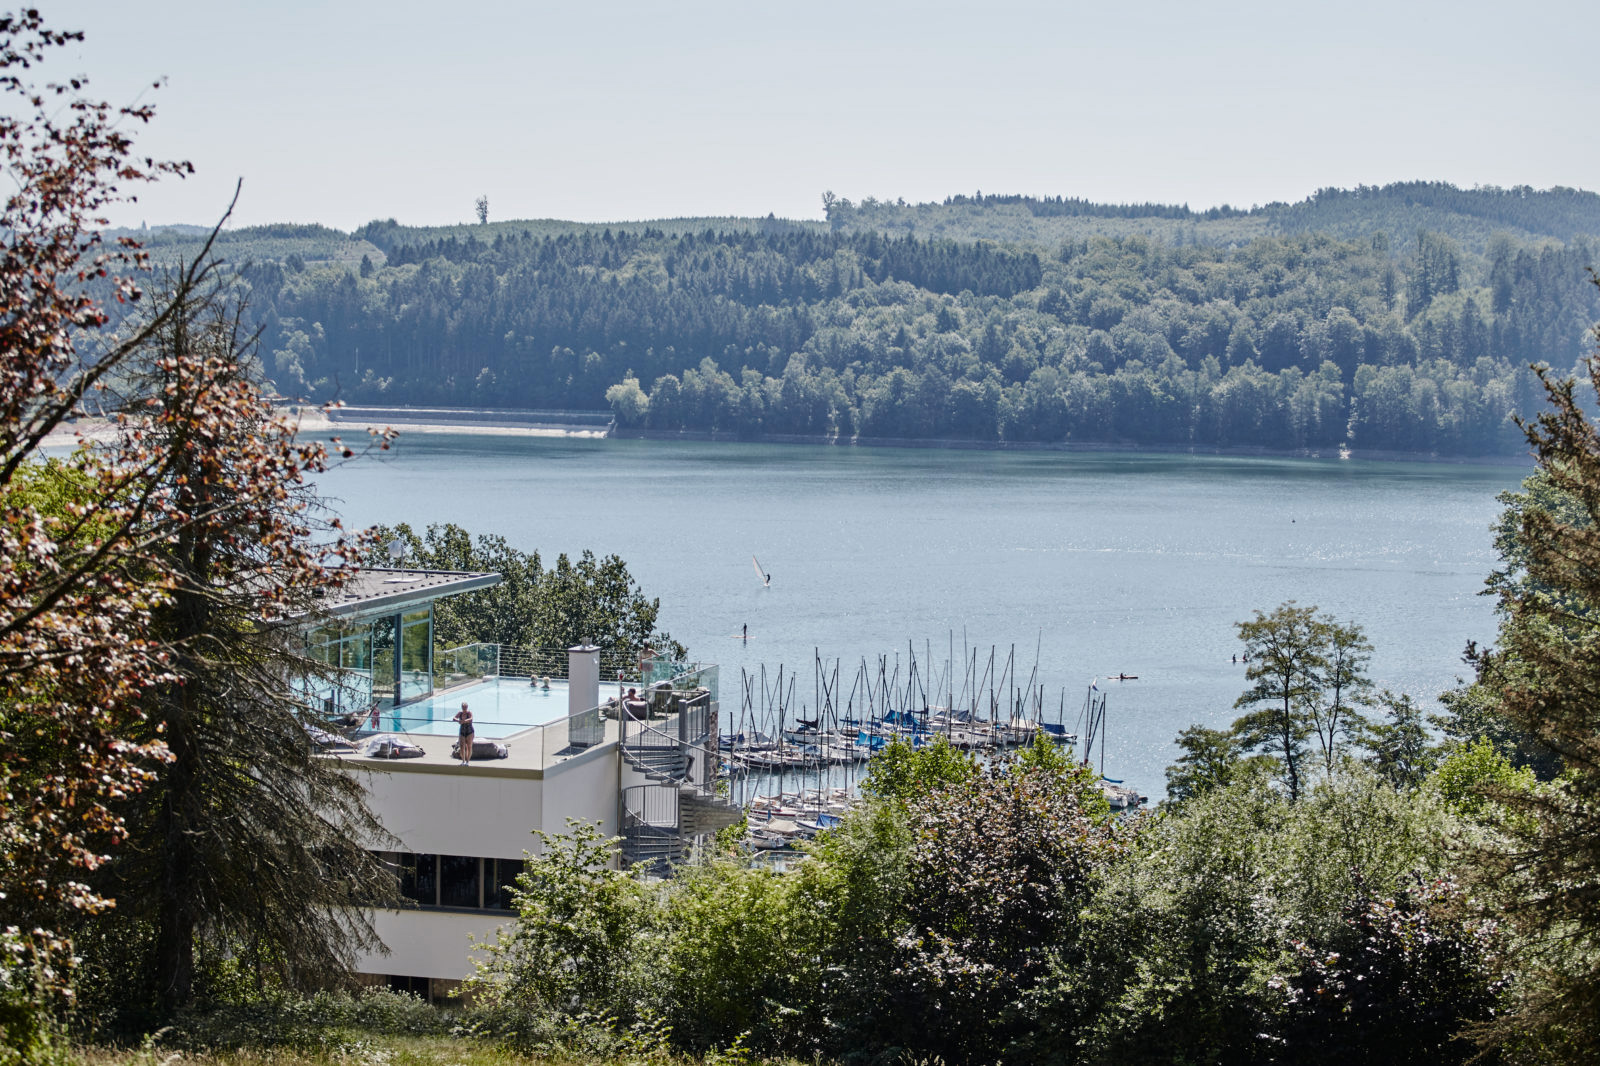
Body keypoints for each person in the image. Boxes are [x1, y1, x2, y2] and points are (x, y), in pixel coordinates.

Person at [452, 702, 475, 766]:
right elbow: (454, 718)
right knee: (462, 746)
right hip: (462, 731)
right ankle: (463, 761)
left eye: (465, 707)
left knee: (469, 746)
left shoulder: (469, 713)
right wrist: (458, 720)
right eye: (463, 707)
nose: (464, 708)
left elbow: (471, 719)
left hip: (469, 731)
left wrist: (465, 721)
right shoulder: (460, 713)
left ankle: (467, 761)